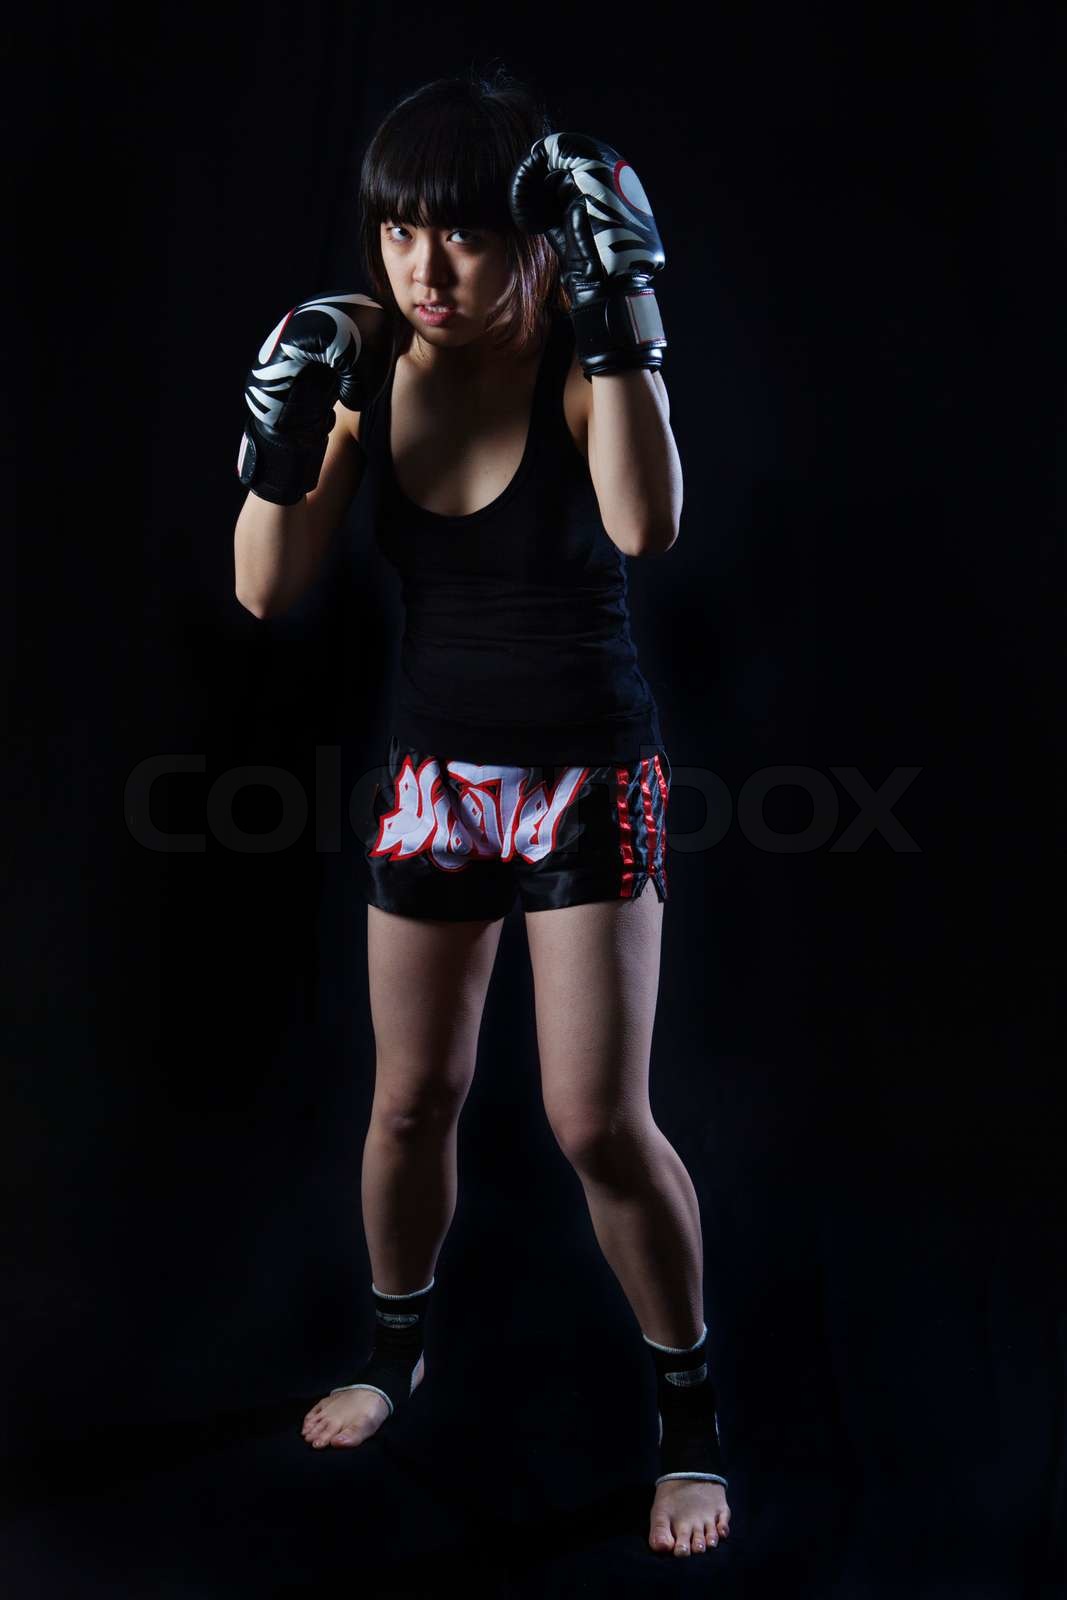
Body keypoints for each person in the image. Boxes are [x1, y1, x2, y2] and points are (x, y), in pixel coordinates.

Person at [233, 68, 731, 1562]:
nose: (422, 273)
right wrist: (281, 428)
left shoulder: (580, 351)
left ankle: (691, 1421)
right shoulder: (363, 359)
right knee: (407, 1102)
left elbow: (647, 527)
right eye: (397, 238)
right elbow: (265, 587)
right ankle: (394, 1356)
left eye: (456, 238)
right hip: (436, 778)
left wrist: (626, 318)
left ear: (533, 241)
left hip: (590, 776)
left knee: (597, 1122)